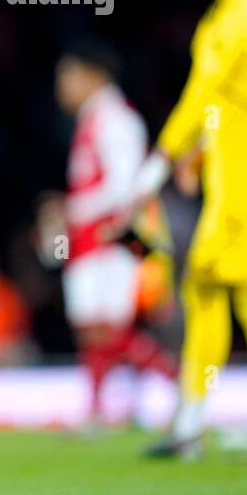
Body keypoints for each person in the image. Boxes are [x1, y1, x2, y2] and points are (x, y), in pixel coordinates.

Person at [124, 0, 247, 458]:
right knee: (226, 290)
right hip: (235, 179)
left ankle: (190, 424)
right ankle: (190, 422)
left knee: (219, 285)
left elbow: (201, 96)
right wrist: (202, 151)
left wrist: (158, 163)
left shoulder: (240, 16)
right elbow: (231, 102)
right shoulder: (235, 14)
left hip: (246, 186)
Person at [42, 40, 178, 429]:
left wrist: (72, 209)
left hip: (113, 237)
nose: (62, 87)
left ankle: (179, 382)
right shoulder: (92, 120)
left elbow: (125, 187)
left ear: (92, 76)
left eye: (67, 77)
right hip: (89, 239)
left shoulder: (118, 120)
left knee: (106, 329)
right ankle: (98, 409)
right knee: (91, 328)